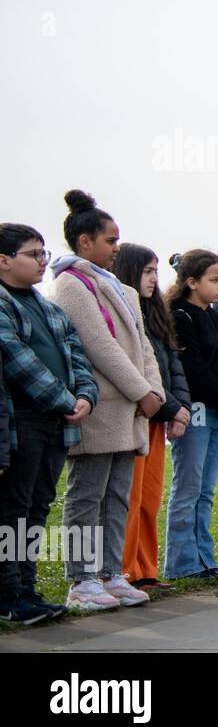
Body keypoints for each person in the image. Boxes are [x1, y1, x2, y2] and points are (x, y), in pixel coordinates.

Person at [51, 191, 165, 611]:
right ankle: (81, 579)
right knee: (87, 495)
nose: (117, 247)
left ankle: (111, 572)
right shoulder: (71, 284)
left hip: (131, 409)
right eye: (110, 240)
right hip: (101, 408)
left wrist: (154, 392)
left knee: (118, 494)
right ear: (85, 241)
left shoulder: (119, 288)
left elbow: (144, 348)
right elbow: (100, 346)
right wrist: (142, 391)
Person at [0, 223, 97, 624]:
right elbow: (19, 361)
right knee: (12, 510)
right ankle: (7, 595)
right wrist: (63, 399)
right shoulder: (4, 305)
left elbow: (78, 356)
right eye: (33, 254)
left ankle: (27, 588)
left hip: (56, 424)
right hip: (21, 423)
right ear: (4, 260)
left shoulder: (50, 308)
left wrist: (86, 396)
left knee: (39, 507)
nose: (43, 261)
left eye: (43, 253)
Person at [165, 250, 218, 582]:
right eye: (214, 280)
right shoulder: (180, 317)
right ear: (191, 282)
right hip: (197, 409)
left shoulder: (217, 318)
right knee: (188, 487)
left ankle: (204, 558)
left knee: (206, 489)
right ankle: (182, 562)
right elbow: (193, 369)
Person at [112, 243, 191, 591]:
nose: (153, 278)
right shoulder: (124, 314)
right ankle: (125, 569)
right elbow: (138, 369)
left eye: (156, 271)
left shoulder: (156, 313)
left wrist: (180, 406)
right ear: (129, 273)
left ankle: (146, 568)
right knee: (129, 499)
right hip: (135, 415)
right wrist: (172, 406)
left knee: (149, 497)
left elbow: (172, 363)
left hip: (158, 416)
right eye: (147, 271)